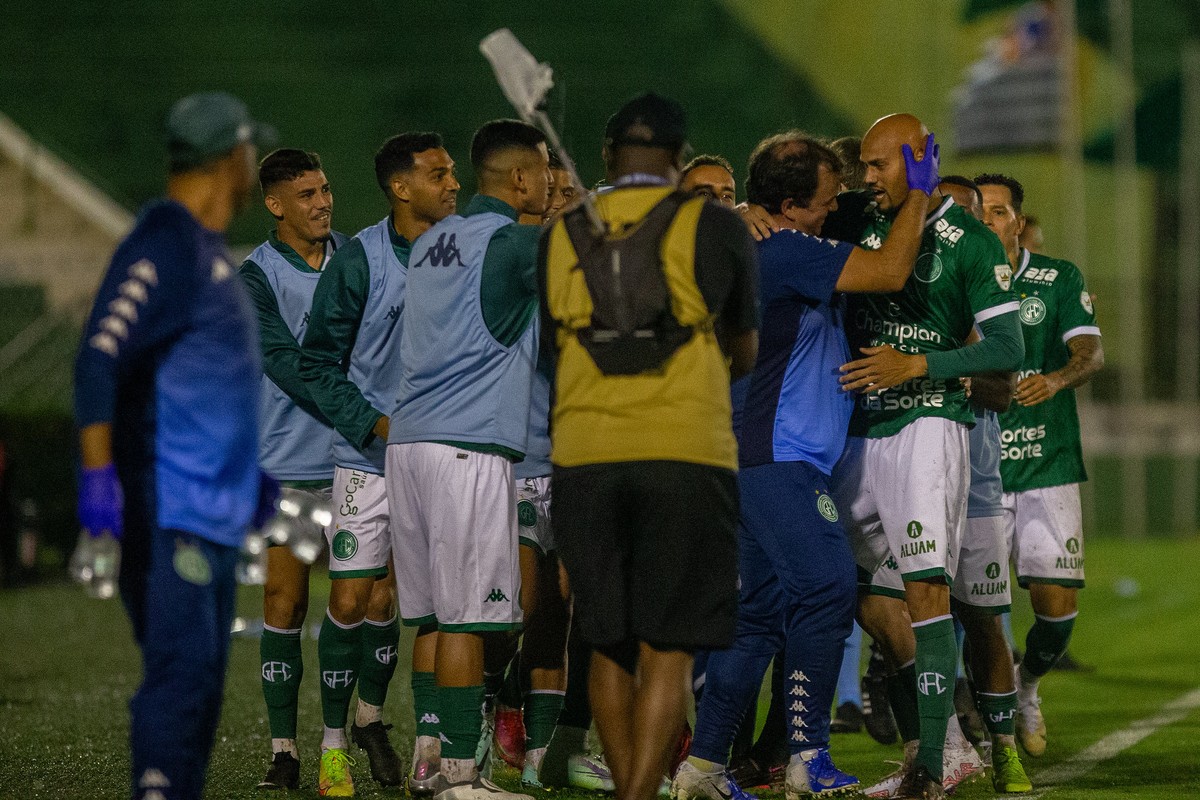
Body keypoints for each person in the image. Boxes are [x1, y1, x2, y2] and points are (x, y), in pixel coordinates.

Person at [672, 129, 937, 800]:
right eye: (823, 200)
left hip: (768, 455)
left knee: (759, 616)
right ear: (790, 205)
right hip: (773, 455)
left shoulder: (776, 235)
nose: (834, 207)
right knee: (826, 587)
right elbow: (889, 272)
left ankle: (703, 768)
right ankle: (808, 755)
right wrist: (923, 195)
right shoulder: (785, 247)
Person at [540, 92, 759, 800]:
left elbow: (552, 346)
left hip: (584, 451)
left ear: (607, 157)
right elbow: (745, 350)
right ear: (676, 157)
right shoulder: (715, 225)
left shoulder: (561, 230)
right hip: (684, 452)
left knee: (609, 640)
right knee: (668, 642)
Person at [74, 91, 275, 800]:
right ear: (231, 160)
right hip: (170, 512)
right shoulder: (165, 241)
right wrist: (101, 486)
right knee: (182, 680)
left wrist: (257, 485)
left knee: (201, 696)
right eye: (251, 153)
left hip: (211, 514)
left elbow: (207, 388)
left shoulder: (203, 251)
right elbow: (100, 356)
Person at [821, 113, 1024, 799]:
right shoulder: (857, 216)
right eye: (864, 167)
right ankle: (930, 743)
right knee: (840, 580)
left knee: (927, 592)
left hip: (926, 427)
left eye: (879, 165)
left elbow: (1007, 348)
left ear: (918, 160)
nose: (866, 177)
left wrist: (921, 364)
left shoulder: (968, 241)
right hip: (857, 433)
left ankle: (933, 767)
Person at [386, 118, 551, 800]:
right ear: (520, 179)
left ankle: (429, 761)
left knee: (430, 614)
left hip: (409, 444)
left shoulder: (430, 244)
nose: (549, 183)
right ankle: (460, 775)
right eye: (543, 173)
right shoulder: (511, 243)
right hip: (467, 448)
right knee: (468, 619)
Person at [299, 132, 460, 796]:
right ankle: (333, 745)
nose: (455, 184)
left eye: (453, 173)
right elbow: (316, 363)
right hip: (367, 459)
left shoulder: (468, 253)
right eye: (440, 175)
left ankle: (419, 739)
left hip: (442, 457)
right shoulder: (360, 260)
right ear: (401, 188)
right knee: (349, 598)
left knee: (422, 602)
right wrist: (376, 422)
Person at [973, 173, 1103, 758]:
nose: (987, 222)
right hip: (979, 468)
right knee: (976, 604)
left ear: (1019, 224)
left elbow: (1089, 351)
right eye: (978, 212)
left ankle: (1028, 686)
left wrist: (1054, 378)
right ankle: (980, 714)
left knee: (1056, 614)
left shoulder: (1056, 278)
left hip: (1047, 465)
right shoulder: (955, 276)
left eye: (998, 212)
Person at [237, 148, 349, 791]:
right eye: (306, 194)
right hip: (288, 466)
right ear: (276, 205)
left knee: (363, 602)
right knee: (284, 601)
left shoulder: (354, 263)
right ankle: (285, 751)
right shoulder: (255, 275)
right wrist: (361, 412)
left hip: (358, 464)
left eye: (326, 189)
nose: (322, 202)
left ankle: (349, 731)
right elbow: (283, 362)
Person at [937, 174, 1032, 793]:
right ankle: (942, 742)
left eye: (974, 212)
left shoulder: (987, 295)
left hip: (976, 484)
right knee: (911, 614)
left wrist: (935, 368)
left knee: (982, 621)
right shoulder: (910, 288)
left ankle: (1004, 746)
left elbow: (1002, 384)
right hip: (908, 475)